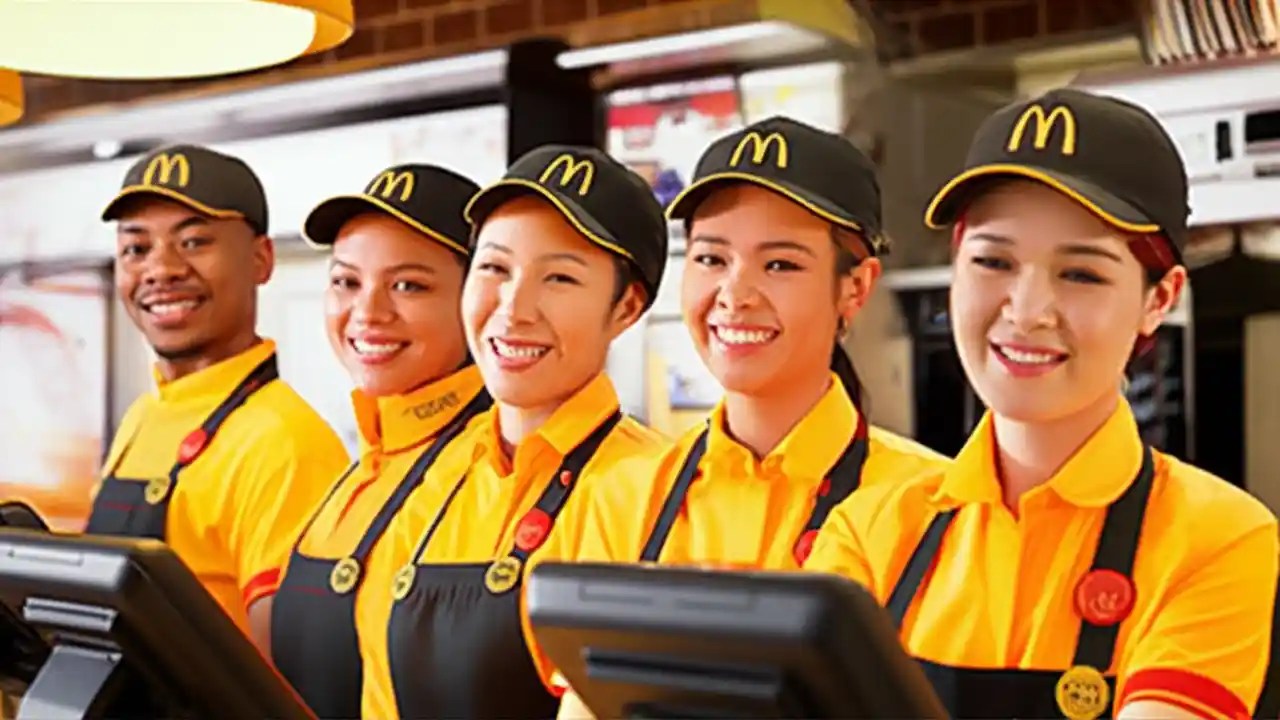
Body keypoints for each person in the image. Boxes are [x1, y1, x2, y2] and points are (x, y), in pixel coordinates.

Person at [807, 88, 1280, 720]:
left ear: (1158, 299)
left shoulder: (1217, 538)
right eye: (994, 261)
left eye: (1081, 273)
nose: (1026, 312)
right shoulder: (869, 531)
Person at [553, 116, 952, 718]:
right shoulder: (622, 498)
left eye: (780, 265)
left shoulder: (931, 506)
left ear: (856, 288)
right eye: (712, 259)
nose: (735, 295)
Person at [354, 145, 673, 719]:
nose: (513, 308)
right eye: (495, 268)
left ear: (626, 308)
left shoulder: (657, 493)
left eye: (558, 277)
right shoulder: (432, 477)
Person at [91, 144, 350, 655]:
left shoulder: (285, 443)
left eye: (193, 241)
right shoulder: (145, 415)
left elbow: (290, 682)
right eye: (136, 249)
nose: (160, 270)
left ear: (261, 259)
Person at [267, 163, 490, 719]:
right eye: (346, 281)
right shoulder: (366, 462)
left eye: (408, 285)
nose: (368, 313)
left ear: (478, 299)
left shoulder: (498, 467)